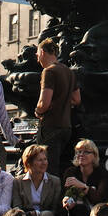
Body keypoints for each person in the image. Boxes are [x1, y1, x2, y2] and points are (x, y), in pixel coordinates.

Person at [34, 38, 80, 176]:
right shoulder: (69, 72)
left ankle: (49, 197)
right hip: (67, 127)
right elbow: (77, 99)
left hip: (51, 126)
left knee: (45, 167)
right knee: (58, 165)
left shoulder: (49, 71)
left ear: (42, 52)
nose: (37, 58)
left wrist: (38, 110)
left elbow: (44, 102)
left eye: (37, 55)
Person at [11, 144, 62, 216]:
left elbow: (55, 208)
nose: (44, 163)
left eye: (45, 159)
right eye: (39, 160)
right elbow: (17, 207)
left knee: (47, 215)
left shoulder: (54, 182)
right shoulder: (18, 182)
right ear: (29, 163)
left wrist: (40, 214)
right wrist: (32, 214)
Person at [60, 139, 108, 216]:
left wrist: (83, 186)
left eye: (86, 152)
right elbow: (66, 194)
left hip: (96, 213)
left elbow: (99, 198)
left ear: (94, 155)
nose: (81, 154)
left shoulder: (102, 173)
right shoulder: (71, 172)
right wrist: (66, 200)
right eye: (79, 152)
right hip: (74, 213)